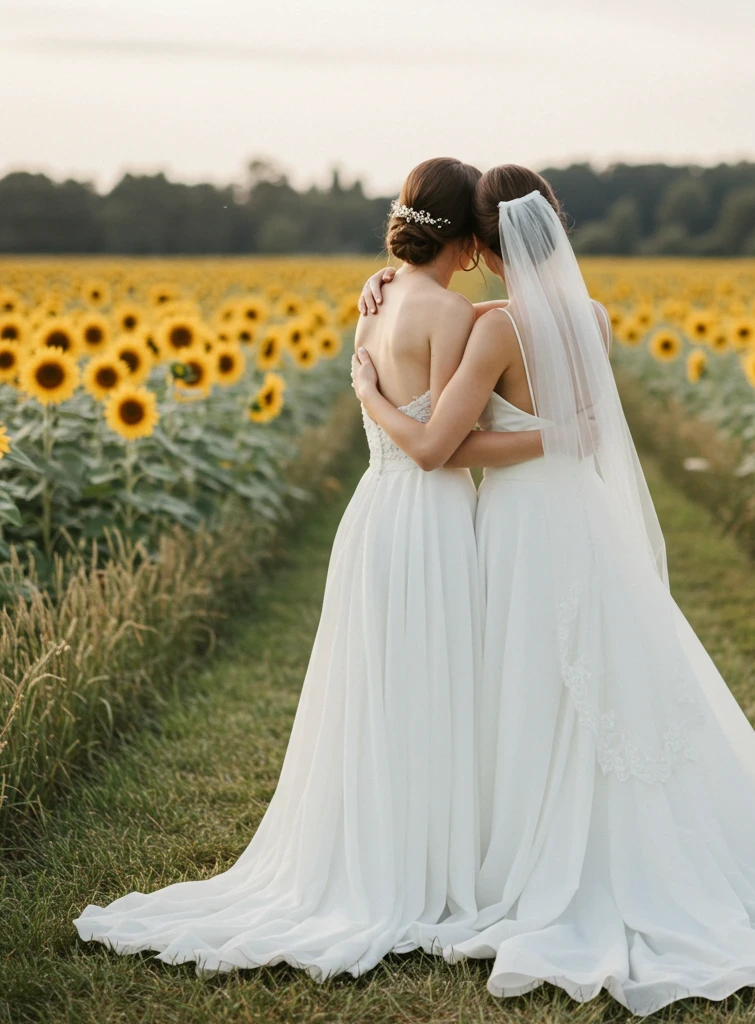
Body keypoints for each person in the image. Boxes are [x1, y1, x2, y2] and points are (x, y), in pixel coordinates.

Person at [352, 165, 755, 1015]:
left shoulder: (495, 330)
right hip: (582, 522)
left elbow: (442, 444)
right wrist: (557, 436)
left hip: (521, 528)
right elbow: (569, 429)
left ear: (488, 248)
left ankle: (531, 858)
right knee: (601, 680)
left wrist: (375, 370)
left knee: (534, 681)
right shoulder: (595, 320)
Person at [74, 158, 542, 980]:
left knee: (378, 691)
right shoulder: (453, 316)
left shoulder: (380, 299)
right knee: (431, 685)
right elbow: (442, 451)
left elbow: (406, 405)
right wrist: (561, 433)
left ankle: (379, 853)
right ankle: (426, 873)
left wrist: (371, 383)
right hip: (429, 518)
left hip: (373, 514)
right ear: (464, 240)